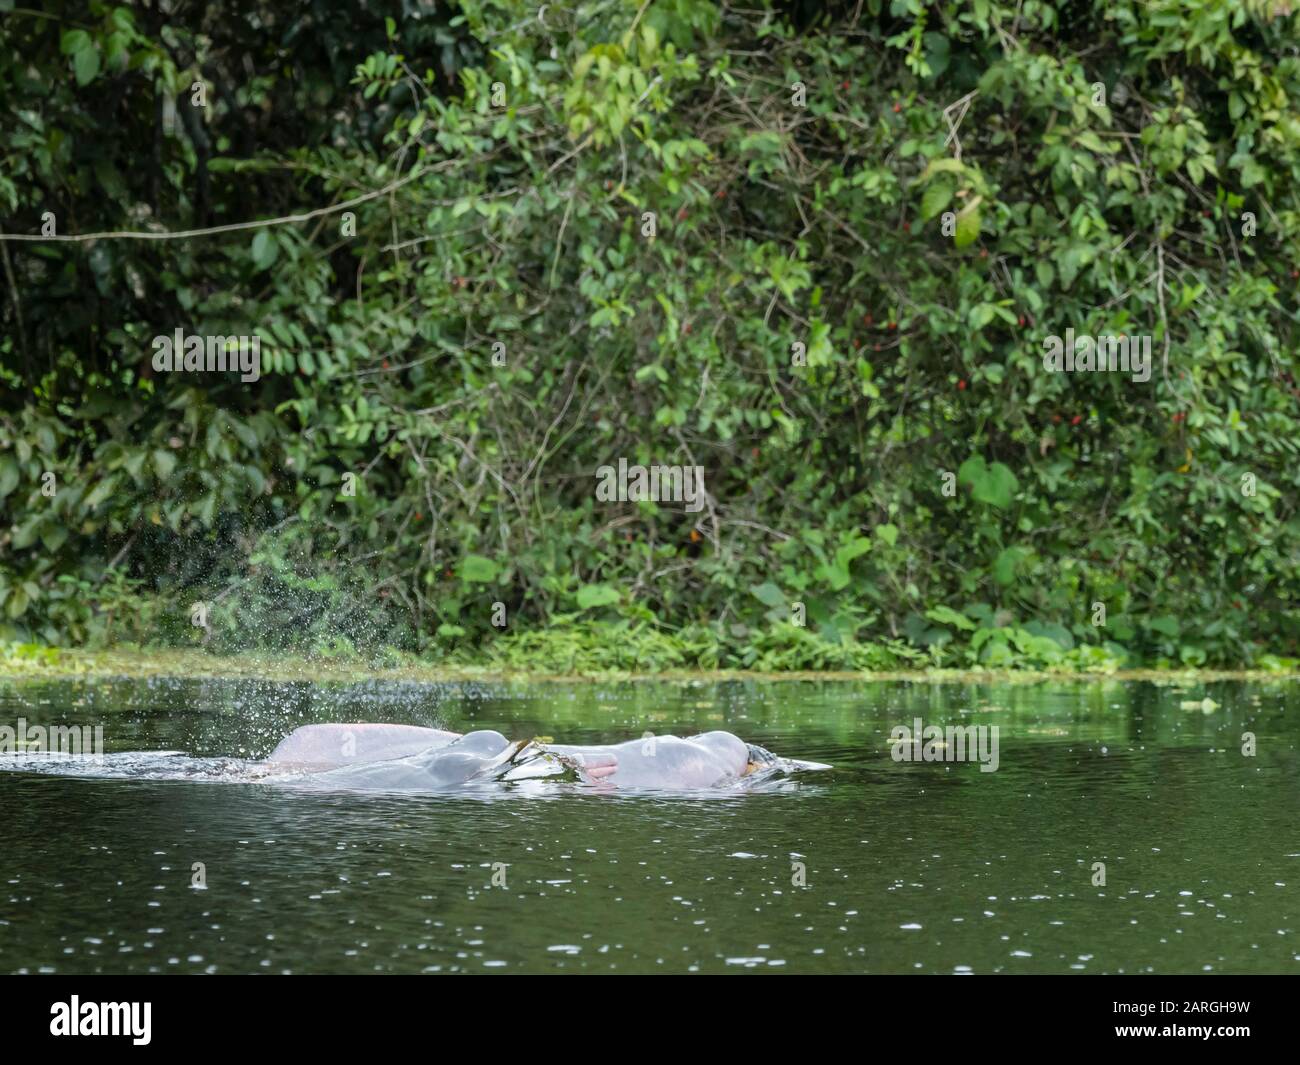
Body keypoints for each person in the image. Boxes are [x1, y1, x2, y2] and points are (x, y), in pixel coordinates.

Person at [265, 722, 803, 790]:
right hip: (531, 765)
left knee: (472, 758)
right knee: (472, 761)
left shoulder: (699, 757)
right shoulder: (717, 774)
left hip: (523, 758)